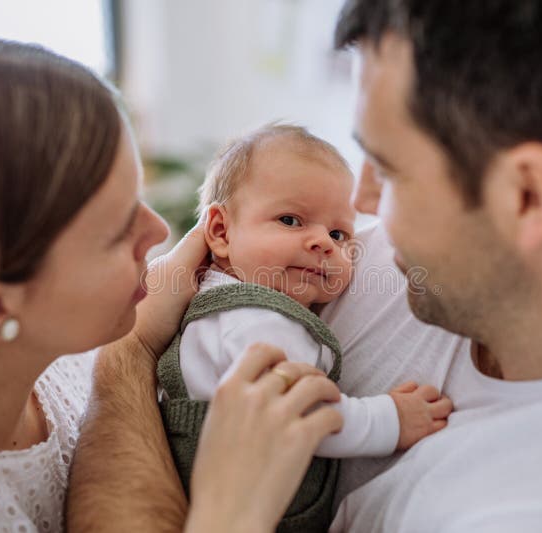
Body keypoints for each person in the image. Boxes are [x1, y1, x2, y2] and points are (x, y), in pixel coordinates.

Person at [71, 1, 542, 532]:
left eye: (389, 171)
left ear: (526, 198)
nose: (360, 212)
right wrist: (130, 349)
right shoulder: (380, 267)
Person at [0, 38, 343, 532]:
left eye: (139, 197)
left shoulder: (64, 353)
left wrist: (136, 344)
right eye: (116, 228)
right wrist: (228, 516)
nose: (158, 234)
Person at [157, 123, 451, 530]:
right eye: (291, 220)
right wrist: (389, 420)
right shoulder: (251, 321)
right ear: (221, 232)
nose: (323, 243)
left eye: (338, 232)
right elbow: (299, 417)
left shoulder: (241, 306)